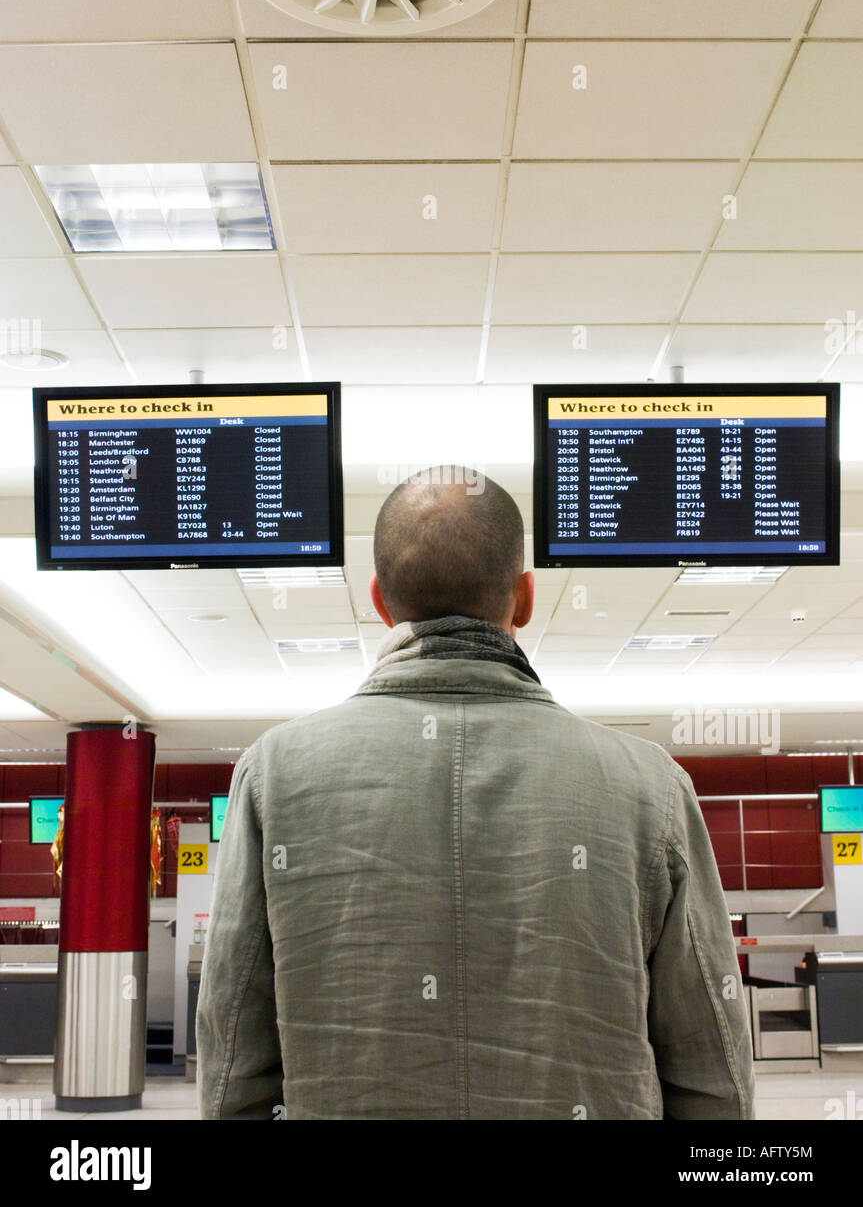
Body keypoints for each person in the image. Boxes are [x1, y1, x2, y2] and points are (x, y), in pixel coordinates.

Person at [196, 467, 755, 1120]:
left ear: (380, 601)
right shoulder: (648, 783)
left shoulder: (273, 773)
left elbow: (233, 1045)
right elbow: (709, 1059)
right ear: (523, 598)